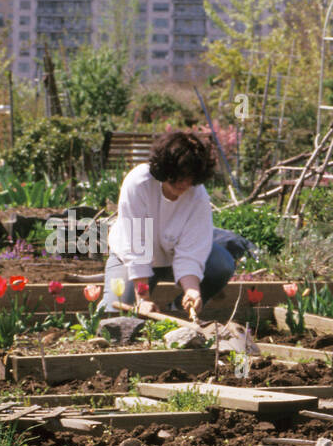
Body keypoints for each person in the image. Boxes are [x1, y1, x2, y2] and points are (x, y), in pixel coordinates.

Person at [100, 130, 234, 317]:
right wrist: (143, 298)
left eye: (190, 176)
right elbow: (136, 247)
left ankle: (178, 308)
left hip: (172, 260)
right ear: (165, 168)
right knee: (114, 315)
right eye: (179, 175)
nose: (184, 182)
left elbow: (191, 251)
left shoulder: (197, 196)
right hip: (132, 259)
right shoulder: (138, 184)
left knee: (221, 263)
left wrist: (192, 290)